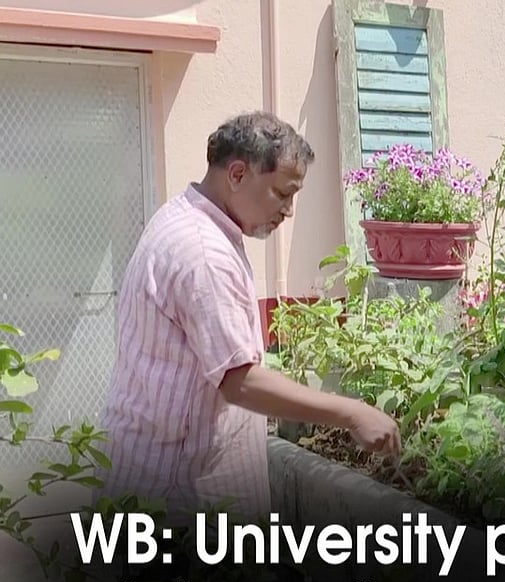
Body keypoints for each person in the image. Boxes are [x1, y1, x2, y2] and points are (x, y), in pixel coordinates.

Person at [95, 111, 400, 525]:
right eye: (282, 193)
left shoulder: (188, 219)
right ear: (238, 174)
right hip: (176, 499)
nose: (288, 210)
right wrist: (352, 413)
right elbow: (240, 381)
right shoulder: (203, 253)